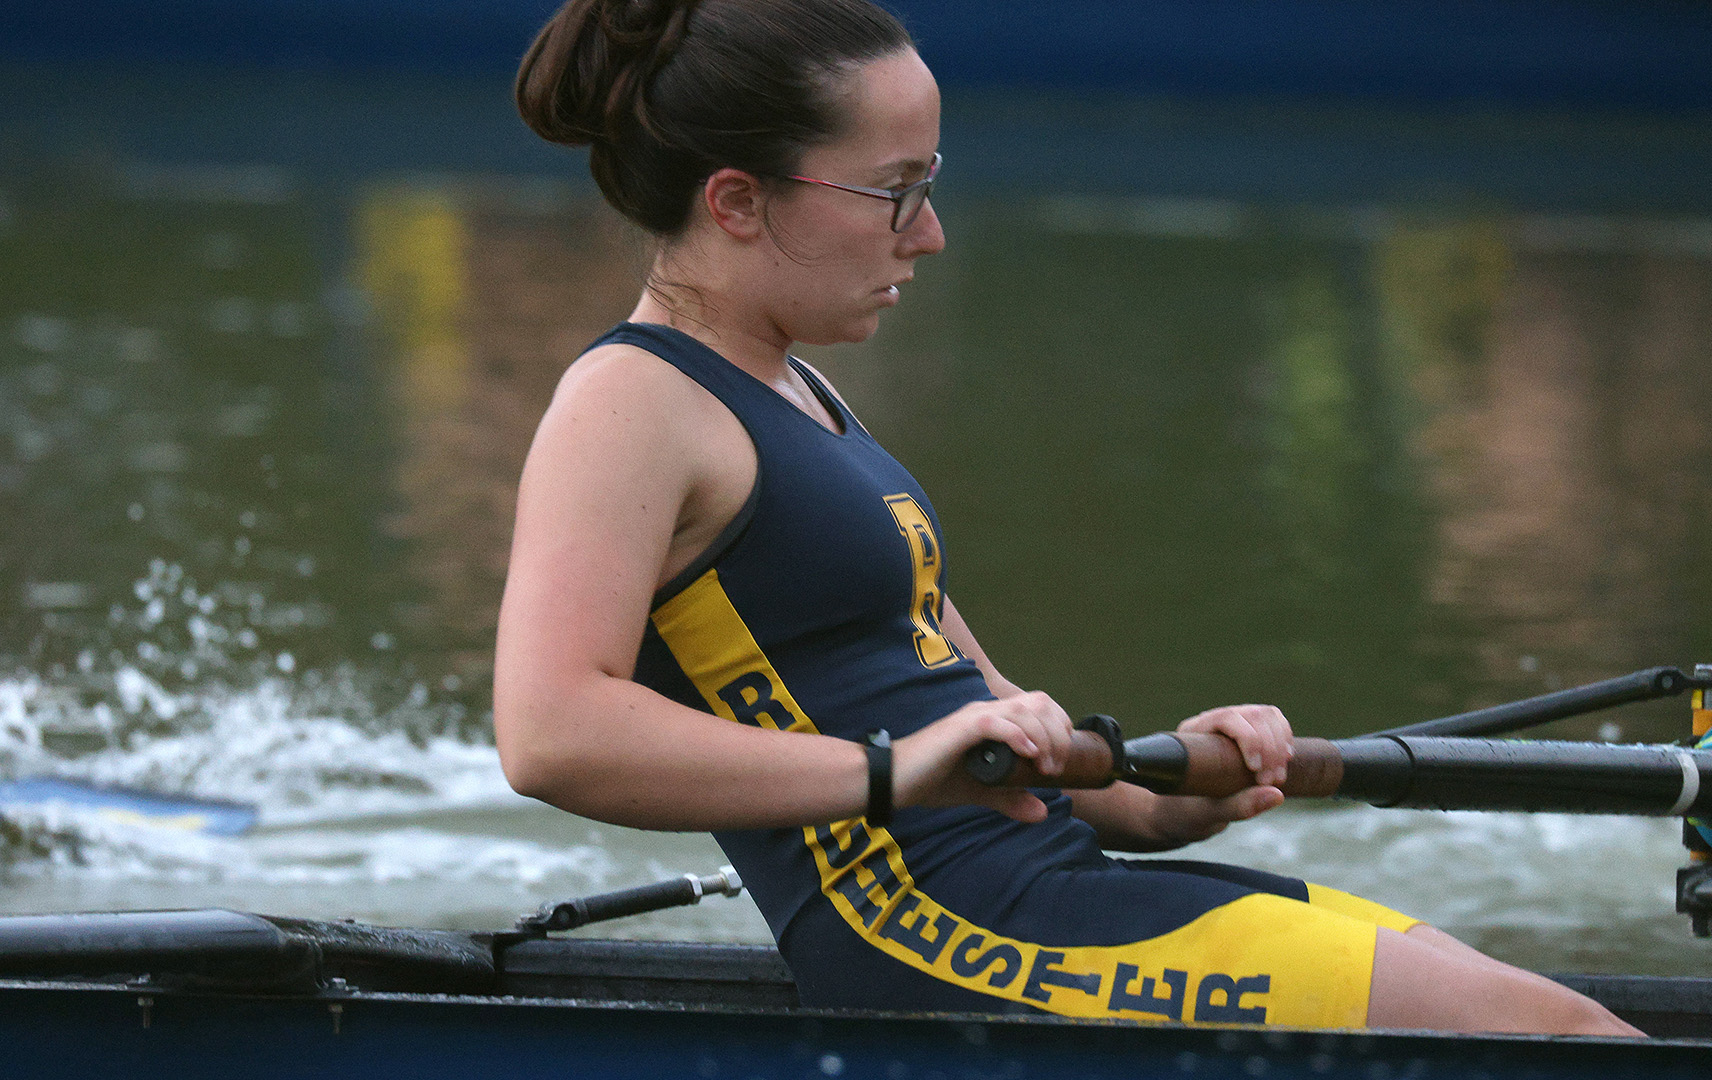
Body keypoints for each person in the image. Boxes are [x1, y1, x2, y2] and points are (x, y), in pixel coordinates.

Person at [493, 0, 1639, 1036]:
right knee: (1557, 1040)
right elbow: (553, 732)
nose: (928, 234)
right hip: (937, 929)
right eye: (896, 191)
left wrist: (1156, 797)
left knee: (1565, 1019)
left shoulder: (802, 394)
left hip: (1045, 886)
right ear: (737, 201)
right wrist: (891, 772)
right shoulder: (631, 401)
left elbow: (964, 703)